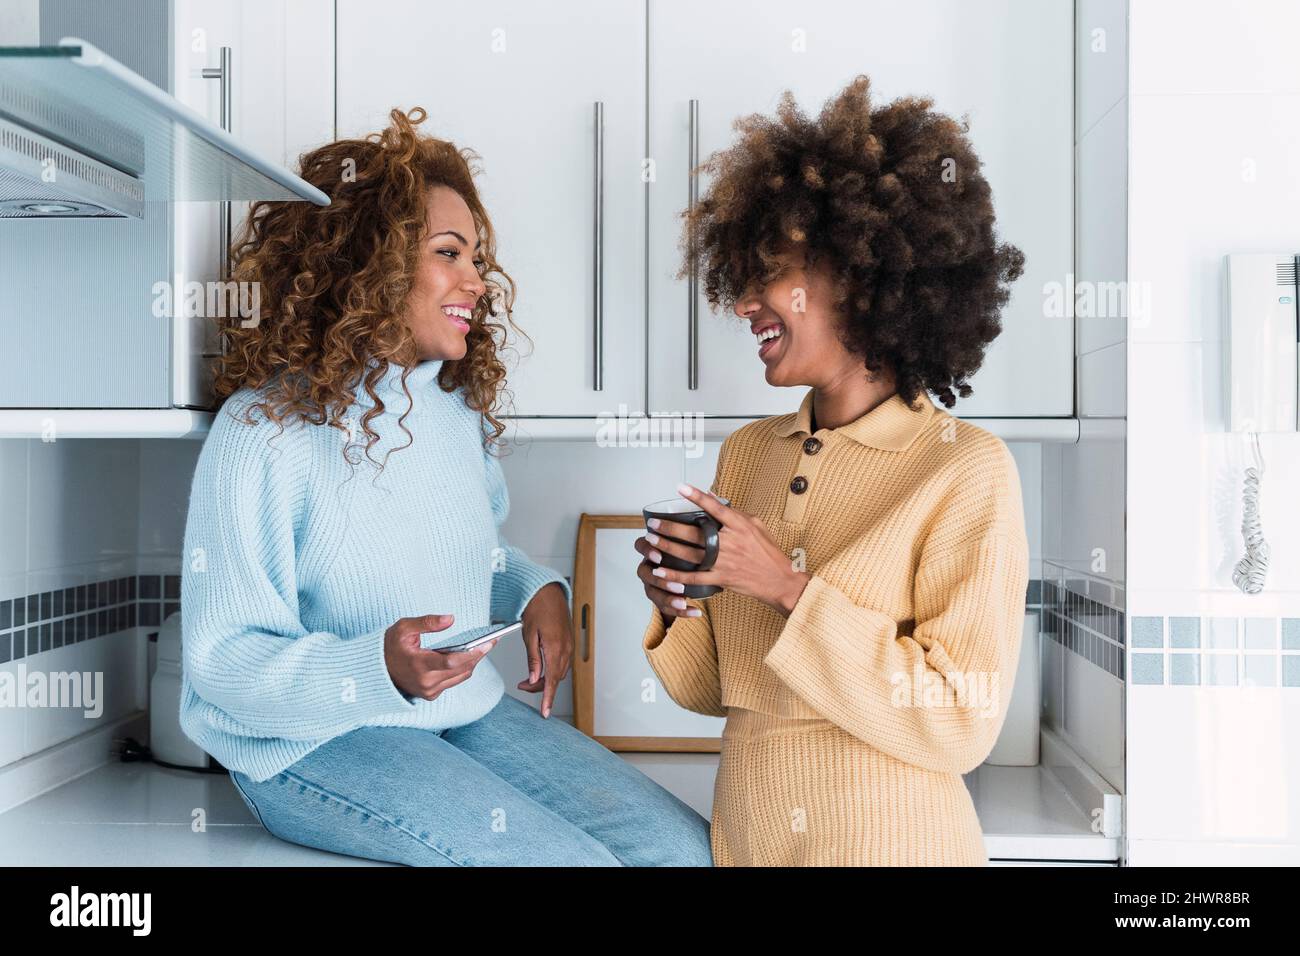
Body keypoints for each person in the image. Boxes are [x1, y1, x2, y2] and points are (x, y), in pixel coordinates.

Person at [181, 107, 712, 866]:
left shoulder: (451, 411)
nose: (478, 281)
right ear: (370, 262)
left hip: (457, 713)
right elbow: (224, 660)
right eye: (449, 254)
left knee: (684, 850)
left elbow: (464, 555)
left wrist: (534, 590)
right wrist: (376, 669)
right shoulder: (262, 431)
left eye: (478, 258)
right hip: (310, 741)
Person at [634, 75, 1030, 866]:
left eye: (771, 271)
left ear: (858, 272)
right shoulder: (749, 454)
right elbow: (721, 693)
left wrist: (787, 587)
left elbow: (959, 720)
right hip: (749, 842)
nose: (743, 301)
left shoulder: (964, 471)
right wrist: (677, 604)